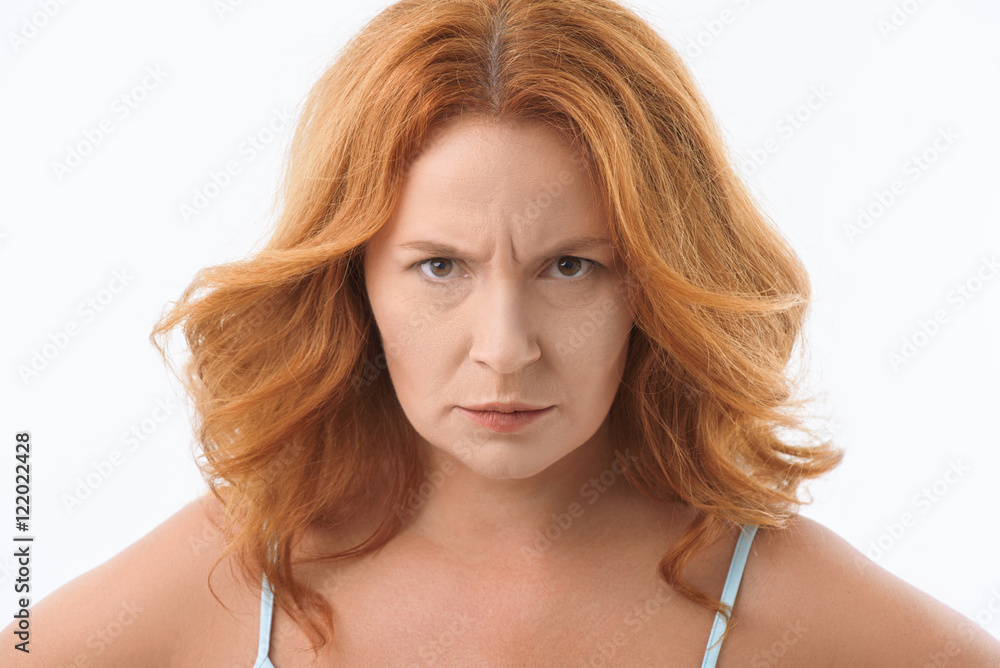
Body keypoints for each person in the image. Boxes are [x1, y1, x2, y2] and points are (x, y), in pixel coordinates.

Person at [7, 0, 1000, 665]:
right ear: (350, 280)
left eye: (570, 265)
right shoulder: (244, 565)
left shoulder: (776, 596)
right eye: (440, 266)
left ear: (652, 283)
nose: (505, 346)